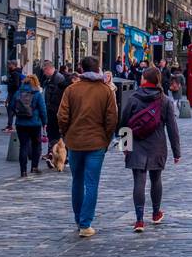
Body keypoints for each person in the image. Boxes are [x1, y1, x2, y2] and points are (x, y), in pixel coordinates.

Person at [58, 56, 119, 238]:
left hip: (75, 142)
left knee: (77, 181)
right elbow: (112, 118)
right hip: (97, 143)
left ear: (81, 69)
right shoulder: (105, 91)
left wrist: (66, 134)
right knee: (91, 183)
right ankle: (86, 224)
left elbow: (62, 116)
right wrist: (106, 137)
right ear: (98, 68)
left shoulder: (71, 90)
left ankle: (79, 219)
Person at [119, 67, 182, 233]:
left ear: (144, 80)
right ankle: (155, 213)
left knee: (138, 181)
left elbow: (123, 123)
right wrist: (177, 152)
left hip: (137, 144)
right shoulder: (165, 100)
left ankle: (139, 220)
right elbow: (172, 129)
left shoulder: (133, 98)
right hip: (157, 145)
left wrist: (125, 146)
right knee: (156, 179)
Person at [11, 73, 46, 178]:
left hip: (21, 123)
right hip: (35, 123)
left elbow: (12, 106)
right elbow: (43, 109)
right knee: (36, 145)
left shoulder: (18, 93)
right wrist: (44, 122)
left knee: (23, 146)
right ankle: (34, 167)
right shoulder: (37, 94)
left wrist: (18, 114)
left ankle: (23, 171)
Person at [40, 61, 68, 169]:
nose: (44, 73)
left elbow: (57, 97)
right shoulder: (50, 79)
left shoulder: (58, 78)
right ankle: (52, 154)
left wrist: (52, 108)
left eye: (44, 70)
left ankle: (56, 156)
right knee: (52, 134)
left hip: (55, 111)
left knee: (55, 134)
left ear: (48, 69)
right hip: (51, 111)